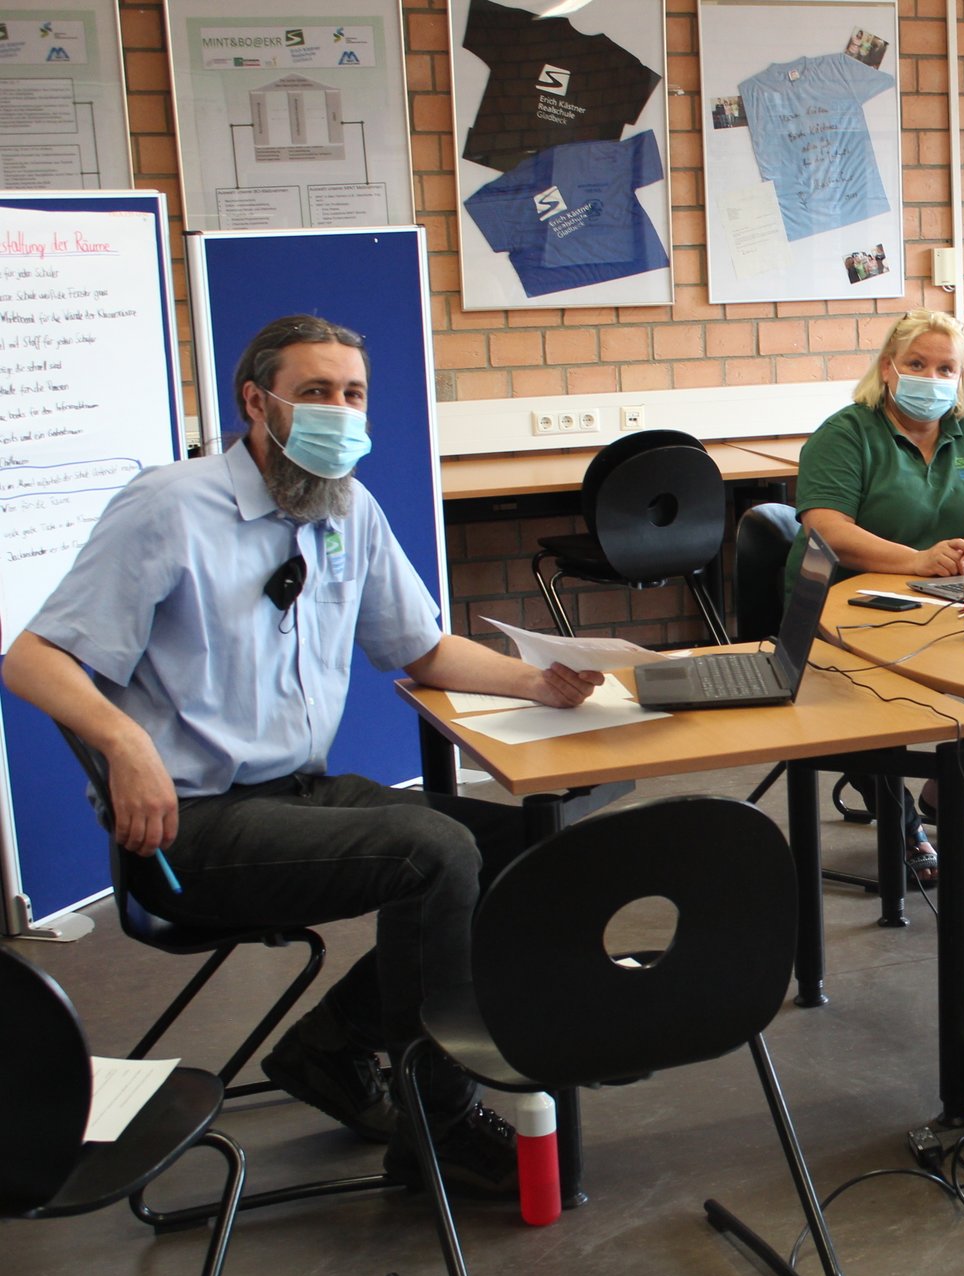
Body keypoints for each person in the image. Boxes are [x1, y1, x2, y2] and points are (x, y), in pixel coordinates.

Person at [3, 315, 602, 1196]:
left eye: (353, 394)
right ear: (257, 400)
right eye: (315, 391)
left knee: (525, 844)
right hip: (193, 827)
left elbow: (421, 648)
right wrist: (125, 743)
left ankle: (335, 1044)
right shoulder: (171, 505)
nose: (339, 410)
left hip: (301, 794)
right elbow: (32, 656)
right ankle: (436, 1126)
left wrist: (540, 683)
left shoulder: (347, 507)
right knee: (433, 852)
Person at [787, 308, 964, 882]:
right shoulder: (846, 433)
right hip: (842, 612)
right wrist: (917, 560)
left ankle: (947, 796)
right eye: (917, 364)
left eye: (946, 367)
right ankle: (899, 826)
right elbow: (824, 526)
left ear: (963, 375)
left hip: (951, 604)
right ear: (889, 369)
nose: (932, 377)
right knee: (871, 695)